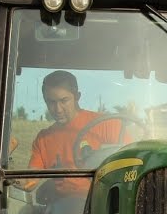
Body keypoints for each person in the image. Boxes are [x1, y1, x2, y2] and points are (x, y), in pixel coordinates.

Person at [22, 70, 127, 203]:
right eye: (51, 102)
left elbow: (131, 165)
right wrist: (5, 176)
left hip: (104, 203)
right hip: (65, 208)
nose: (58, 109)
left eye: (64, 100)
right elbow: (29, 181)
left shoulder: (108, 125)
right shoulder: (44, 139)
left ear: (77, 96)